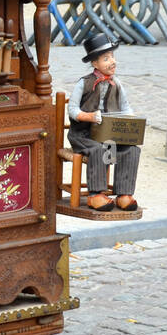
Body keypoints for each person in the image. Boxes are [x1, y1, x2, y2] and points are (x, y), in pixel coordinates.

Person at [68, 35, 140, 212]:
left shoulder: (117, 84)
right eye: (106, 58)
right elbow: (72, 110)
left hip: (108, 134)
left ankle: (124, 194)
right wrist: (89, 117)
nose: (112, 62)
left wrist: (132, 124)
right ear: (95, 63)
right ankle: (95, 195)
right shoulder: (83, 83)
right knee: (99, 150)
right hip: (83, 135)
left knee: (131, 148)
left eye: (112, 57)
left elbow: (126, 108)